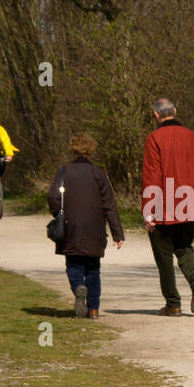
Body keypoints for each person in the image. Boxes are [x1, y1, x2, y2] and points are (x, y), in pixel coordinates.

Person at [141, 97, 194, 316]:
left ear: (156, 115)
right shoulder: (192, 137)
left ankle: (173, 304)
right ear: (175, 111)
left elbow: (152, 175)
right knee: (184, 247)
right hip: (188, 202)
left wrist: (148, 210)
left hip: (163, 205)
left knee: (164, 256)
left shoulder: (154, 138)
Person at [48, 134, 124, 319]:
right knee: (93, 268)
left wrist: (58, 213)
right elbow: (109, 205)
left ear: (73, 149)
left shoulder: (64, 172)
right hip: (95, 228)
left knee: (73, 264)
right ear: (91, 149)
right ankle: (93, 309)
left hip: (71, 226)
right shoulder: (99, 173)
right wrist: (117, 233)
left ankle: (78, 287)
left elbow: (53, 197)